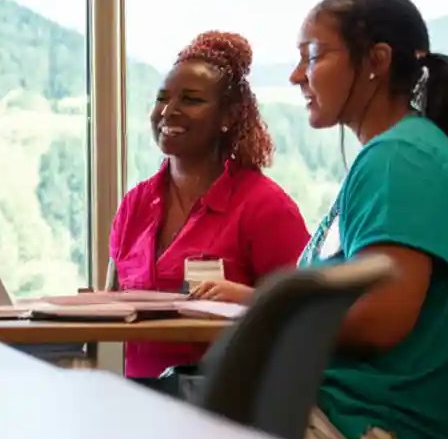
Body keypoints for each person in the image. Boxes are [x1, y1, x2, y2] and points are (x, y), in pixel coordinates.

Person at [288, 0, 448, 439]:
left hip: (381, 432)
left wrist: (268, 326)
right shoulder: (395, 152)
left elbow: (384, 317)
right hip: (353, 419)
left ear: (376, 61)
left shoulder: (399, 156)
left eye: (313, 56)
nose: (298, 76)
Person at [109, 31, 308, 378]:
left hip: (224, 406)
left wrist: (248, 299)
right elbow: (109, 306)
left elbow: (307, 318)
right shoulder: (134, 204)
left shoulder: (266, 207)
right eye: (162, 98)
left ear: (228, 116)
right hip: (133, 402)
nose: (169, 111)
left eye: (191, 100)